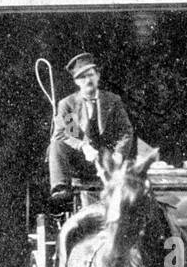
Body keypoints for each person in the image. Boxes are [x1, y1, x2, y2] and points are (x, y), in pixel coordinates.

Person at [48, 52, 135, 202]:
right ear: (76, 82)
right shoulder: (68, 104)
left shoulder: (112, 101)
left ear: (98, 76)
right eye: (82, 77)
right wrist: (83, 146)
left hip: (108, 160)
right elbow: (66, 134)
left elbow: (125, 132)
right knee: (57, 144)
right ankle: (61, 187)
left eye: (90, 75)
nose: (87, 80)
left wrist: (119, 153)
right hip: (79, 161)